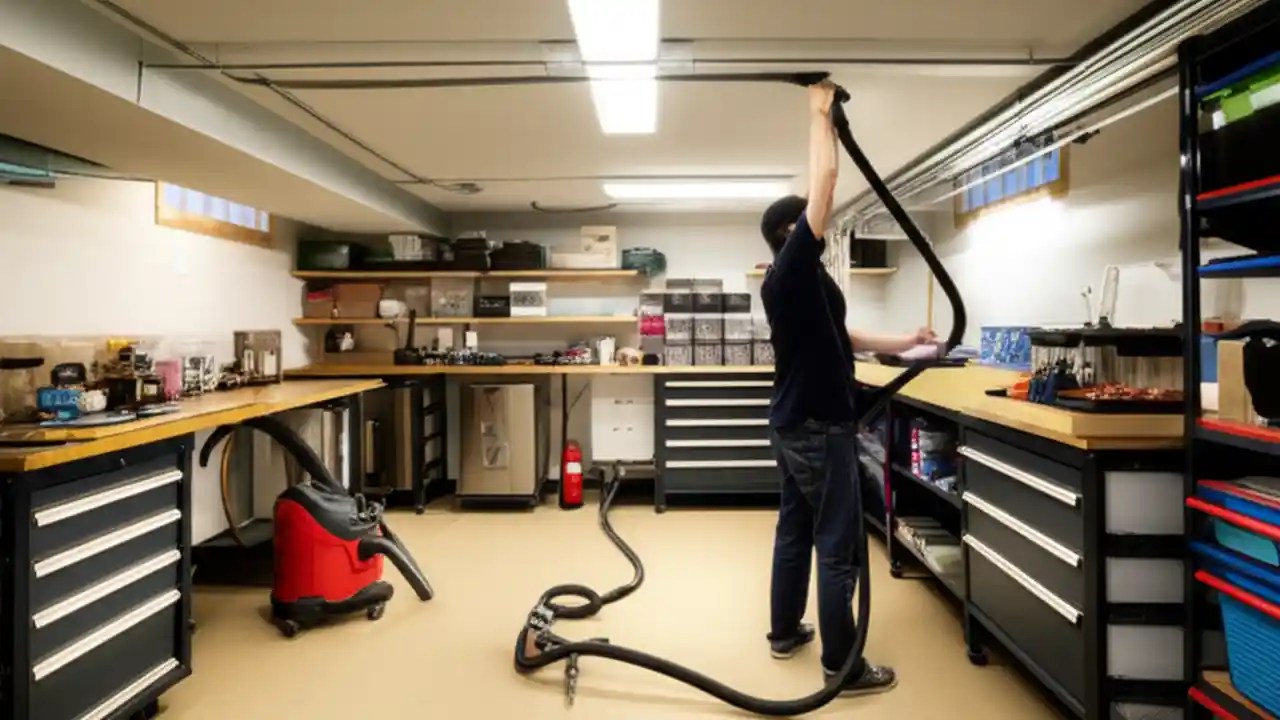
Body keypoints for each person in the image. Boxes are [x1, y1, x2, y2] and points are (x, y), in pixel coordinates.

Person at [759, 81, 935, 695]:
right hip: (817, 427)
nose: (823, 223)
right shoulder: (792, 269)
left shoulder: (803, 286)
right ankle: (843, 663)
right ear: (790, 233)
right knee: (838, 544)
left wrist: (906, 341)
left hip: (792, 424)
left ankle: (785, 633)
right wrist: (819, 116)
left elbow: (848, 335)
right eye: (808, 221)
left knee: (795, 530)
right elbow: (826, 186)